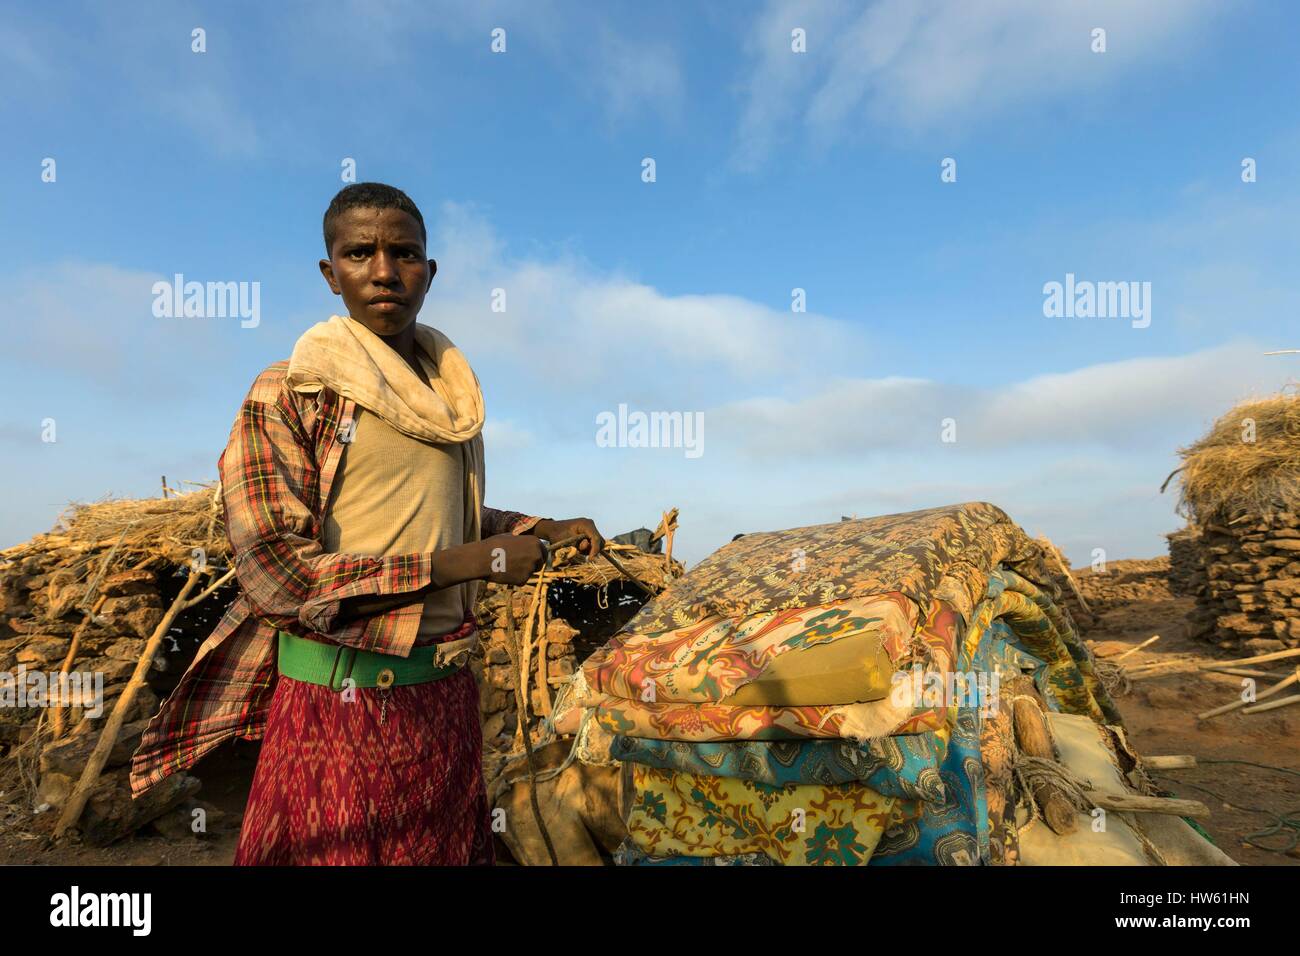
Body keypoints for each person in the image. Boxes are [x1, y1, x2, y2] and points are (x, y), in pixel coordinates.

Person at [129, 182, 604, 865]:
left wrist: (541, 528)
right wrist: (468, 564)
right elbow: (275, 572)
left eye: (405, 253)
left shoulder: (451, 397)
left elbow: (451, 517)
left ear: (429, 272)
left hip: (442, 705)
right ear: (331, 274)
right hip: (338, 703)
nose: (384, 271)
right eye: (360, 253)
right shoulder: (295, 390)